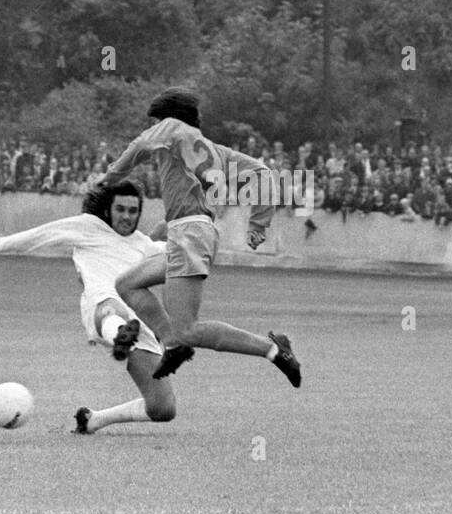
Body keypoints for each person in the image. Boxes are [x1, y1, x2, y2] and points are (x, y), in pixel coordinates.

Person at [96, 87, 301, 387]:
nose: (152, 129)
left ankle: (273, 350)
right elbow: (263, 174)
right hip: (192, 231)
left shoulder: (172, 128)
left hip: (189, 235)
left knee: (189, 330)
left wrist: (107, 179)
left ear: (167, 118)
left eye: (154, 122)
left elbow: (139, 146)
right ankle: (174, 344)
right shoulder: (214, 150)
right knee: (127, 284)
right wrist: (258, 224)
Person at [0, 181, 177, 434]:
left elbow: (175, 256)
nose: (126, 216)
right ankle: (120, 334)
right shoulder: (88, 227)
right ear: (107, 210)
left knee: (163, 408)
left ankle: (93, 420)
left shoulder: (143, 244)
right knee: (113, 307)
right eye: (120, 209)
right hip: (101, 306)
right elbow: (36, 236)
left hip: (138, 321)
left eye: (132, 211)